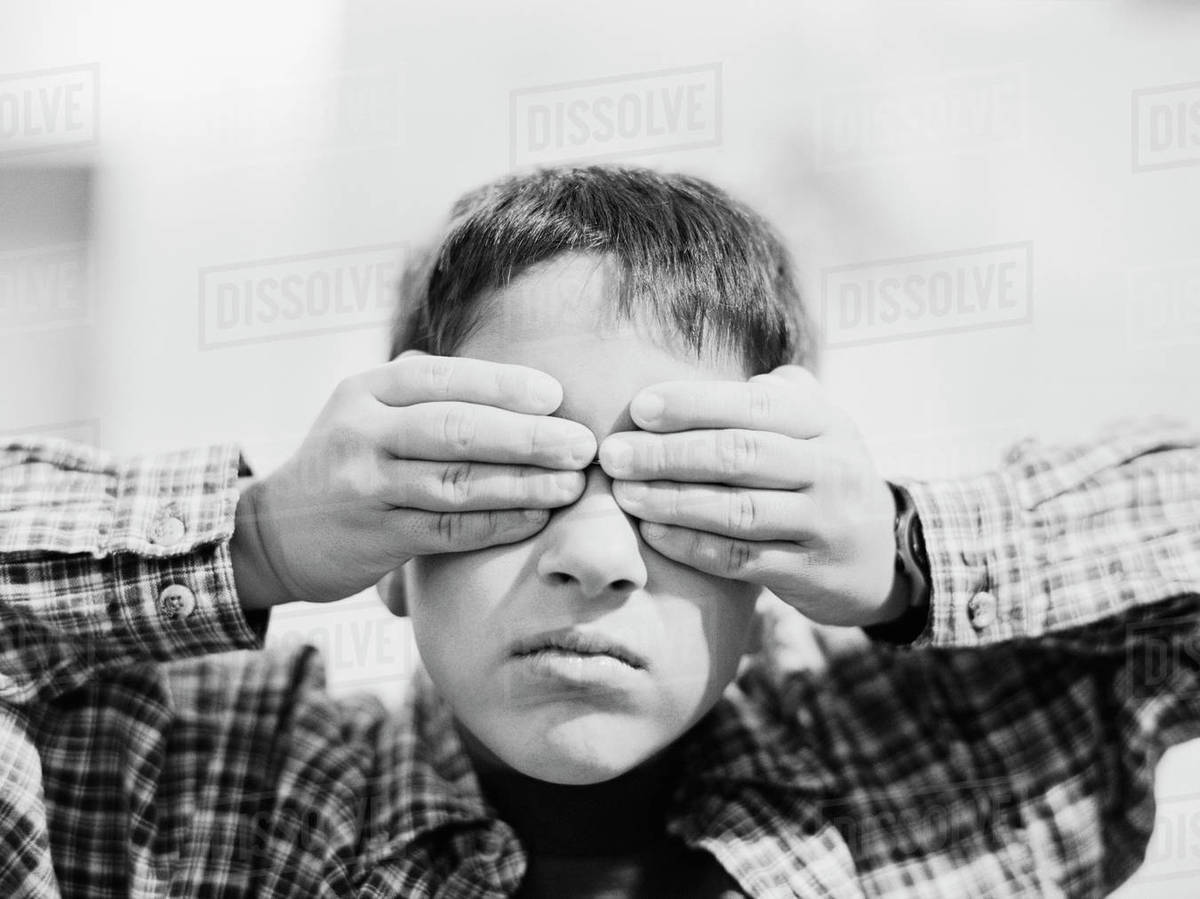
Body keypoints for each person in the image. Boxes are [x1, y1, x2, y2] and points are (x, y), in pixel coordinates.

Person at [1, 165, 1197, 898]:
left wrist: (911, 554)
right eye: (503, 473)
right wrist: (255, 536)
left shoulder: (941, 775)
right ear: (387, 552)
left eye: (686, 487)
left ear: (778, 561)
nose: (595, 555)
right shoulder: (208, 790)